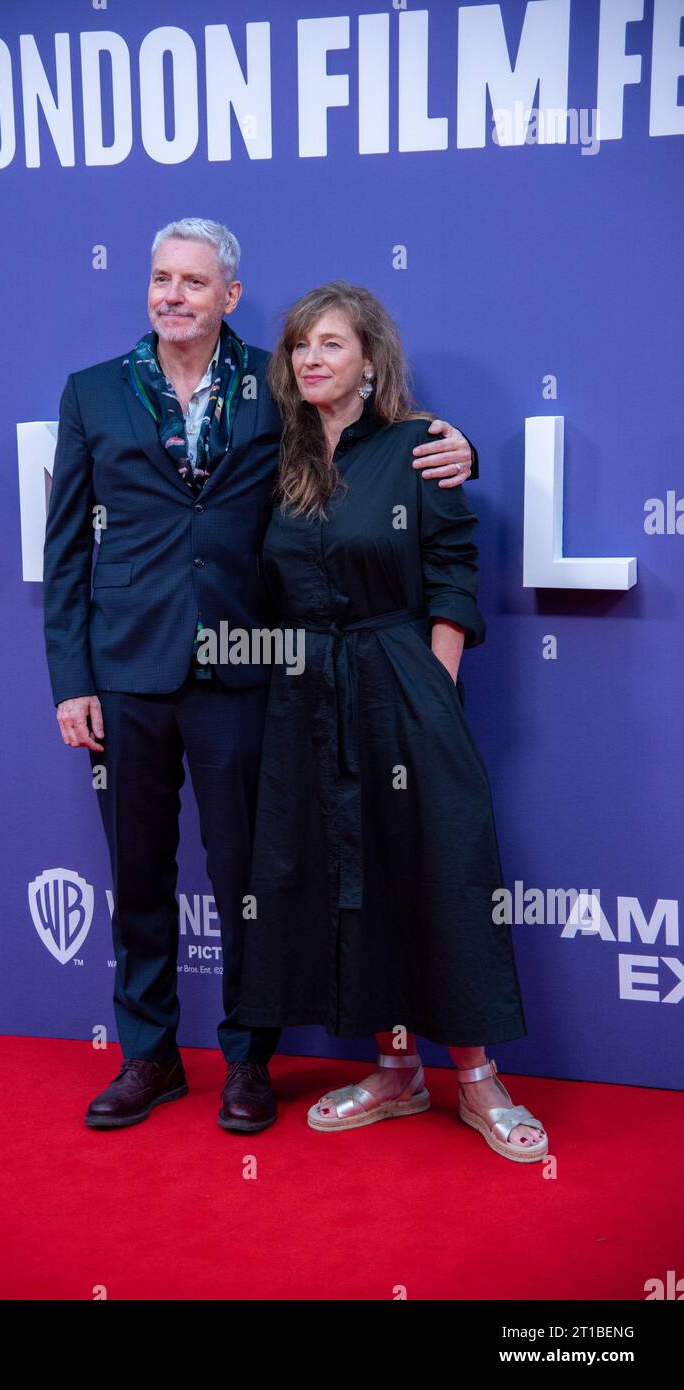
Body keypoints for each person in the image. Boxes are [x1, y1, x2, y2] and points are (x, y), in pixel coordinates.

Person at [42, 220, 480, 1135]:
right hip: (125, 670)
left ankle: (249, 1058)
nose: (173, 295)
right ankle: (149, 1057)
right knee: (137, 875)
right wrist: (70, 678)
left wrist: (449, 446)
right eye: (160, 278)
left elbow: (357, 440)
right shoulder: (90, 394)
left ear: (228, 297)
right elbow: (65, 553)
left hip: (245, 669)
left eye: (193, 282)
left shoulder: (277, 391)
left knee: (251, 876)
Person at [234, 281, 548, 1162]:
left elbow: (453, 564)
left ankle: (479, 1079)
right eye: (299, 346)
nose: (311, 359)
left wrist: (436, 675)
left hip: (401, 679)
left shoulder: (420, 446)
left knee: (436, 863)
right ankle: (396, 1067)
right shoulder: (281, 460)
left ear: (370, 361)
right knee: (345, 867)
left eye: (330, 344)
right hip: (305, 691)